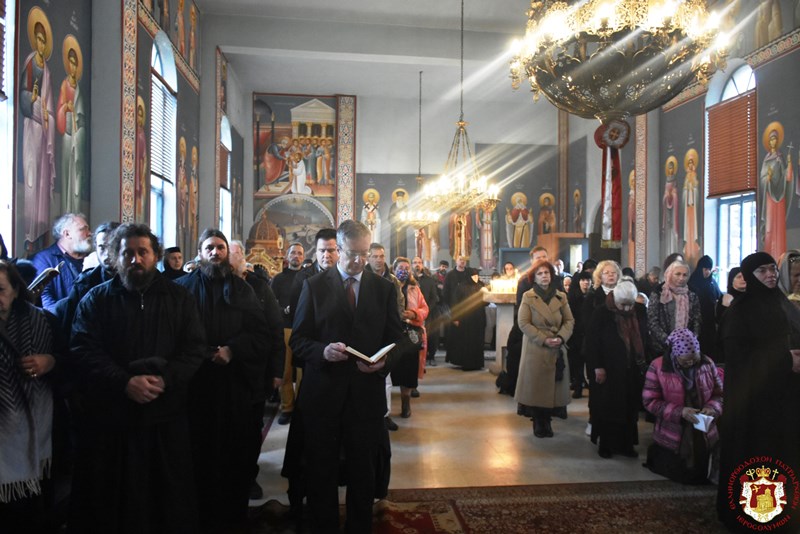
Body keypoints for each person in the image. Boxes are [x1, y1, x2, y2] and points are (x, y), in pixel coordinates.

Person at [68, 223, 206, 534]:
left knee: (166, 501)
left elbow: (195, 348)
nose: (135, 259)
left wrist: (165, 379)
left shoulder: (180, 298)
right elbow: (83, 348)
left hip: (164, 415)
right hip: (114, 417)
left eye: (142, 252)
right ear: (116, 258)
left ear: (155, 255)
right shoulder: (96, 300)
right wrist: (124, 382)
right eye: (127, 253)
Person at [290, 219, 404, 533]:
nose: (359, 261)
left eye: (365, 254)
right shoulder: (314, 286)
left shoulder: (382, 288)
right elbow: (297, 340)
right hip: (323, 395)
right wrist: (322, 352)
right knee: (321, 472)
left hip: (365, 396)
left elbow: (398, 339)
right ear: (338, 249)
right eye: (353, 253)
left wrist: (384, 362)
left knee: (362, 474)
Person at [175, 229, 269, 530]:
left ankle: (232, 518)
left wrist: (232, 349)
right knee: (196, 455)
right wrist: (203, 353)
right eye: (209, 248)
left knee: (234, 455)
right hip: (195, 386)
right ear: (200, 253)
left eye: (220, 248)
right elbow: (174, 336)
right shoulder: (182, 289)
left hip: (233, 386)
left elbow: (260, 333)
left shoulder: (244, 291)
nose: (215, 253)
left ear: (227, 253)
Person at [716, 252, 800, 532]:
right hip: (753, 402)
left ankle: (781, 509)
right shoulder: (739, 313)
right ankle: (752, 513)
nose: (770, 275)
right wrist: (786, 360)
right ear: (749, 276)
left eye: (773, 269)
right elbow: (742, 361)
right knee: (757, 454)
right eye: (762, 271)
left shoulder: (783, 305)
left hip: (784, 396)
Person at [0, 261, 56, 532]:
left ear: (14, 291)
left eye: (0, 290)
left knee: (25, 512)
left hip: (31, 426)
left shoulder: (39, 320)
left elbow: (72, 363)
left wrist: (49, 362)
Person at [229, 239, 285, 501]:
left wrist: (276, 371)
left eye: (231, 254)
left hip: (253, 370)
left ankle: (249, 476)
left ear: (242, 257)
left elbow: (274, 330)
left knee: (251, 428)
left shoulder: (260, 286)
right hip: (220, 373)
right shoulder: (208, 284)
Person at [643, 329, 723, 484]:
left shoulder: (707, 363)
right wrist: (680, 412)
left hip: (703, 429)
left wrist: (712, 408)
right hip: (673, 431)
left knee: (700, 473)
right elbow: (650, 401)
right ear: (674, 354)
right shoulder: (658, 367)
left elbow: (719, 394)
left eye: (694, 360)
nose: (691, 364)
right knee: (680, 474)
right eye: (685, 361)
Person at [585, 278, 648, 458]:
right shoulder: (602, 313)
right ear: (615, 299)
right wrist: (597, 367)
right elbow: (592, 343)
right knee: (607, 408)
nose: (627, 309)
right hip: (608, 370)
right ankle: (606, 444)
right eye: (623, 305)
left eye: (630, 305)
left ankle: (626, 444)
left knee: (629, 408)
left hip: (631, 369)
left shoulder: (640, 311)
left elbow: (644, 337)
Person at [515, 260, 574, 438]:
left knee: (553, 388)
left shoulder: (561, 297)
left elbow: (569, 320)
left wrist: (561, 337)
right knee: (537, 388)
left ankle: (548, 420)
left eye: (546, 273)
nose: (544, 276)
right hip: (537, 347)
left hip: (557, 346)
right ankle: (539, 422)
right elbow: (523, 323)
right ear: (534, 277)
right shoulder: (528, 296)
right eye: (540, 274)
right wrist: (544, 339)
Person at [271, 242, 305, 426]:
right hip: (284, 327)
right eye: (293, 253)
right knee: (285, 371)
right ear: (287, 255)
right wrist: (282, 309)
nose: (296, 256)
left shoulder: (308, 277)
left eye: (300, 253)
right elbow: (271, 302)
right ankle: (287, 407)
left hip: (303, 329)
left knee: (302, 372)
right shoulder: (278, 279)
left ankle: (300, 406)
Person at [31, 213, 93, 309]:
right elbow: (47, 302)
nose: (89, 233)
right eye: (83, 229)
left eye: (88, 229)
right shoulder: (44, 259)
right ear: (67, 234)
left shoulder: (93, 259)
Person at [392, 257, 429, 418]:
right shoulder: (388, 285)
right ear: (394, 269)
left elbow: (424, 308)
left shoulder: (414, 288)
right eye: (401, 267)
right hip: (393, 330)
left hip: (411, 331)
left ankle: (405, 403)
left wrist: (414, 313)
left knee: (408, 369)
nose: (404, 270)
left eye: (407, 268)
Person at [647, 259, 701, 357]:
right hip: (662, 346)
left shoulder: (692, 293)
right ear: (670, 273)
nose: (681, 278)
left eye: (685, 275)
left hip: (687, 346)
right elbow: (652, 320)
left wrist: (692, 338)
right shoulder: (658, 292)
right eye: (678, 274)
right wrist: (668, 340)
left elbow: (697, 319)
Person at [443, 256, 486, 371]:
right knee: (466, 341)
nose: (476, 277)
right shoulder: (460, 286)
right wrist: (455, 317)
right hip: (466, 318)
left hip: (478, 318)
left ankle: (477, 363)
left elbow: (486, 302)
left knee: (476, 341)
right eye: (474, 275)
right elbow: (455, 302)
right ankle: (466, 363)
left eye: (477, 275)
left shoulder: (481, 286)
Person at [687, 255, 722, 358]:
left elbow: (719, 295)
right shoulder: (692, 282)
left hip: (710, 320)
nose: (707, 272)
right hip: (698, 321)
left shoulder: (712, 281)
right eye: (706, 269)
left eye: (709, 269)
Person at [567, 270, 592, 398]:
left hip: (590, 334)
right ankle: (578, 387)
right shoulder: (572, 298)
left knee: (590, 362)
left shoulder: (593, 297)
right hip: (576, 334)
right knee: (577, 362)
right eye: (583, 280)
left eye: (588, 280)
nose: (585, 283)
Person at [412, 256, 439, 367]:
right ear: (412, 265)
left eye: (419, 262)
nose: (417, 264)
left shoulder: (430, 280)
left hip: (428, 313)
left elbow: (434, 297)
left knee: (431, 335)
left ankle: (431, 356)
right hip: (412, 313)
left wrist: (426, 310)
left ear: (422, 265)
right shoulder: (409, 279)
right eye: (415, 262)